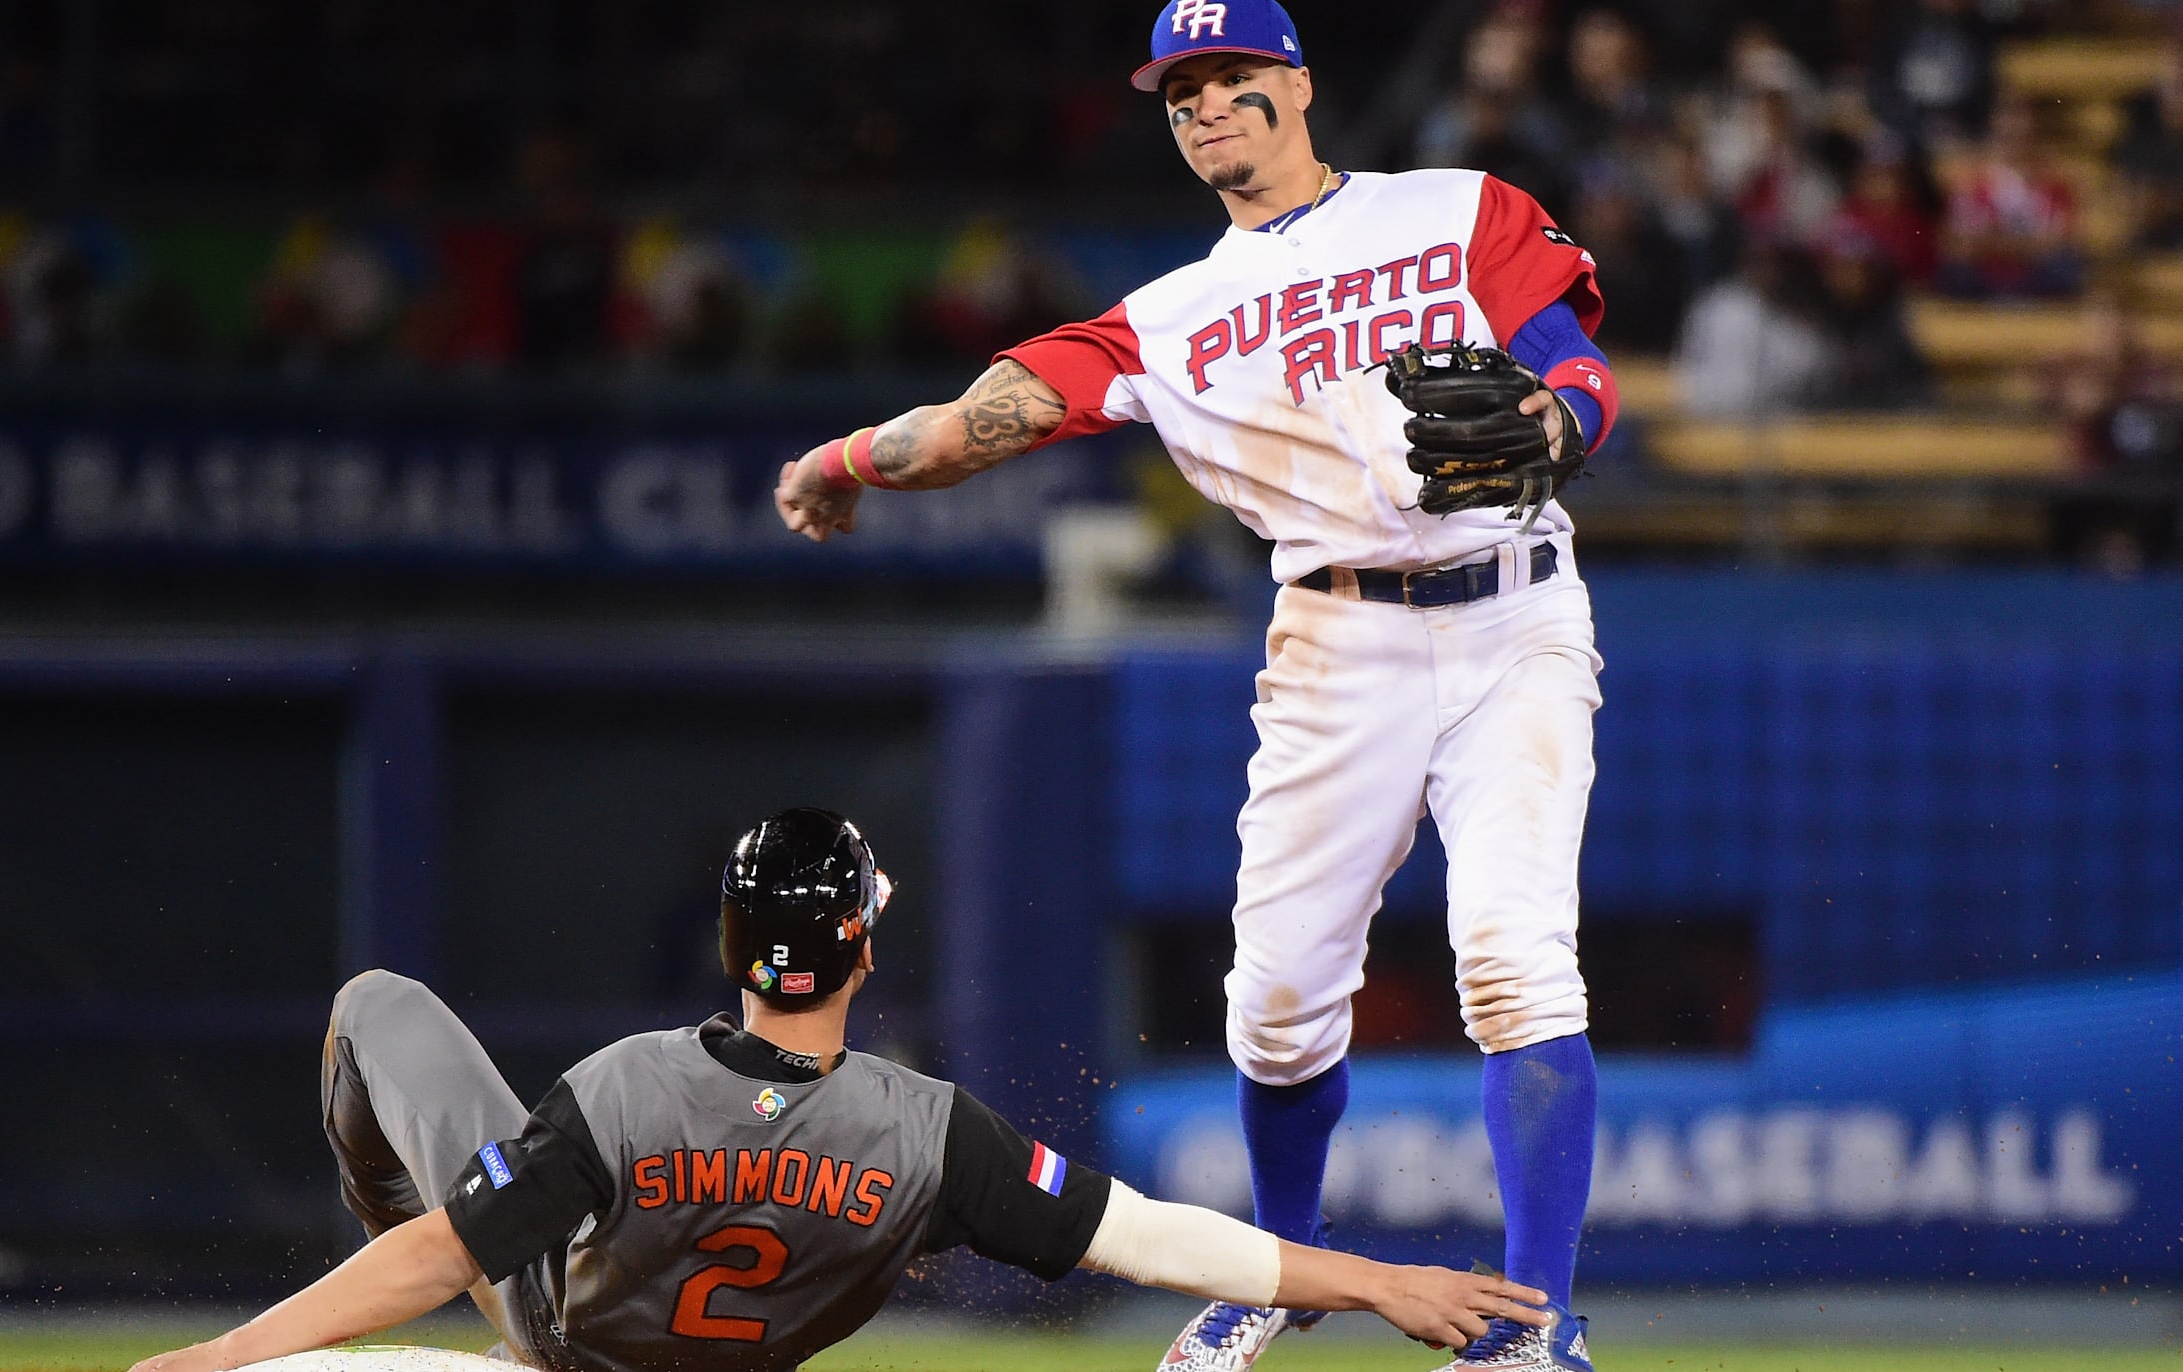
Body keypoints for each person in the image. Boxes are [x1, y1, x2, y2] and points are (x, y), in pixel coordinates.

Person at [773, 6, 1614, 1370]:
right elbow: (977, 422)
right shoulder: (1167, 320)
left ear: (1298, 83)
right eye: (1182, 91)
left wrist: (1564, 415)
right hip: (1336, 644)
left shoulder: (1454, 208)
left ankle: (1537, 1328)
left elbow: (1572, 360)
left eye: (1233, 78)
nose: (1209, 104)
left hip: (1513, 607)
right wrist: (846, 458)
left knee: (1516, 963)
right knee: (1277, 1001)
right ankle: (1275, 1274)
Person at [127, 809, 1547, 1372]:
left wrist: (226, 1351)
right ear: (864, 944)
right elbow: (1153, 1238)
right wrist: (1372, 1280)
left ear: (732, 944)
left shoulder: (621, 1091)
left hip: (550, 1338)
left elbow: (444, 1248)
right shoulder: (923, 1131)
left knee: (375, 1014)